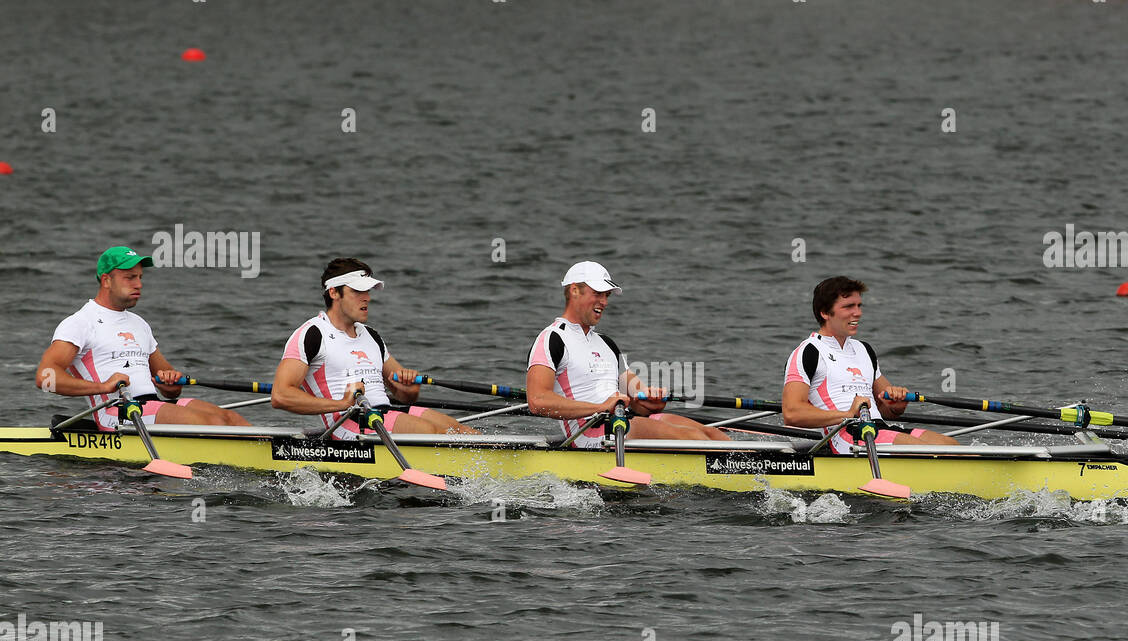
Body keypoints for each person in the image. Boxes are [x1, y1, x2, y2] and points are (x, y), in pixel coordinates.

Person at [35, 246, 249, 429]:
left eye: (140, 277)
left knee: (231, 420)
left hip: (152, 407)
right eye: (130, 277)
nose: (139, 284)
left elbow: (171, 390)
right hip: (117, 413)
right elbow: (45, 379)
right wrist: (103, 387)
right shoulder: (79, 323)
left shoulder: (139, 324)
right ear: (107, 280)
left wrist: (170, 382)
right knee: (208, 423)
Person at [526, 261, 728, 447]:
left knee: (714, 435)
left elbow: (639, 401)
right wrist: (602, 407)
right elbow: (538, 401)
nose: (604, 301)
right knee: (693, 439)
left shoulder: (607, 344)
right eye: (598, 293)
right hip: (590, 433)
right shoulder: (552, 339)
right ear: (574, 290)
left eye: (607, 295)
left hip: (621, 422)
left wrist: (652, 400)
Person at [271, 257, 476, 438]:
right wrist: (343, 403)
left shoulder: (371, 336)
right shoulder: (312, 334)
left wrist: (410, 387)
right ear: (334, 293)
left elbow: (405, 396)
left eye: (367, 290)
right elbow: (281, 396)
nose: (367, 297)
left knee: (466, 433)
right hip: (348, 423)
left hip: (384, 413)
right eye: (357, 291)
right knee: (429, 433)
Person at [782, 276, 957, 452]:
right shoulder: (808, 351)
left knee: (952, 446)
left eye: (859, 306)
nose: (857, 313)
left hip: (877, 429)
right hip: (844, 435)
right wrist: (848, 414)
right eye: (848, 306)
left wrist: (896, 407)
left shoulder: (864, 349)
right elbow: (792, 413)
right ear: (825, 313)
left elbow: (885, 409)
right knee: (930, 451)